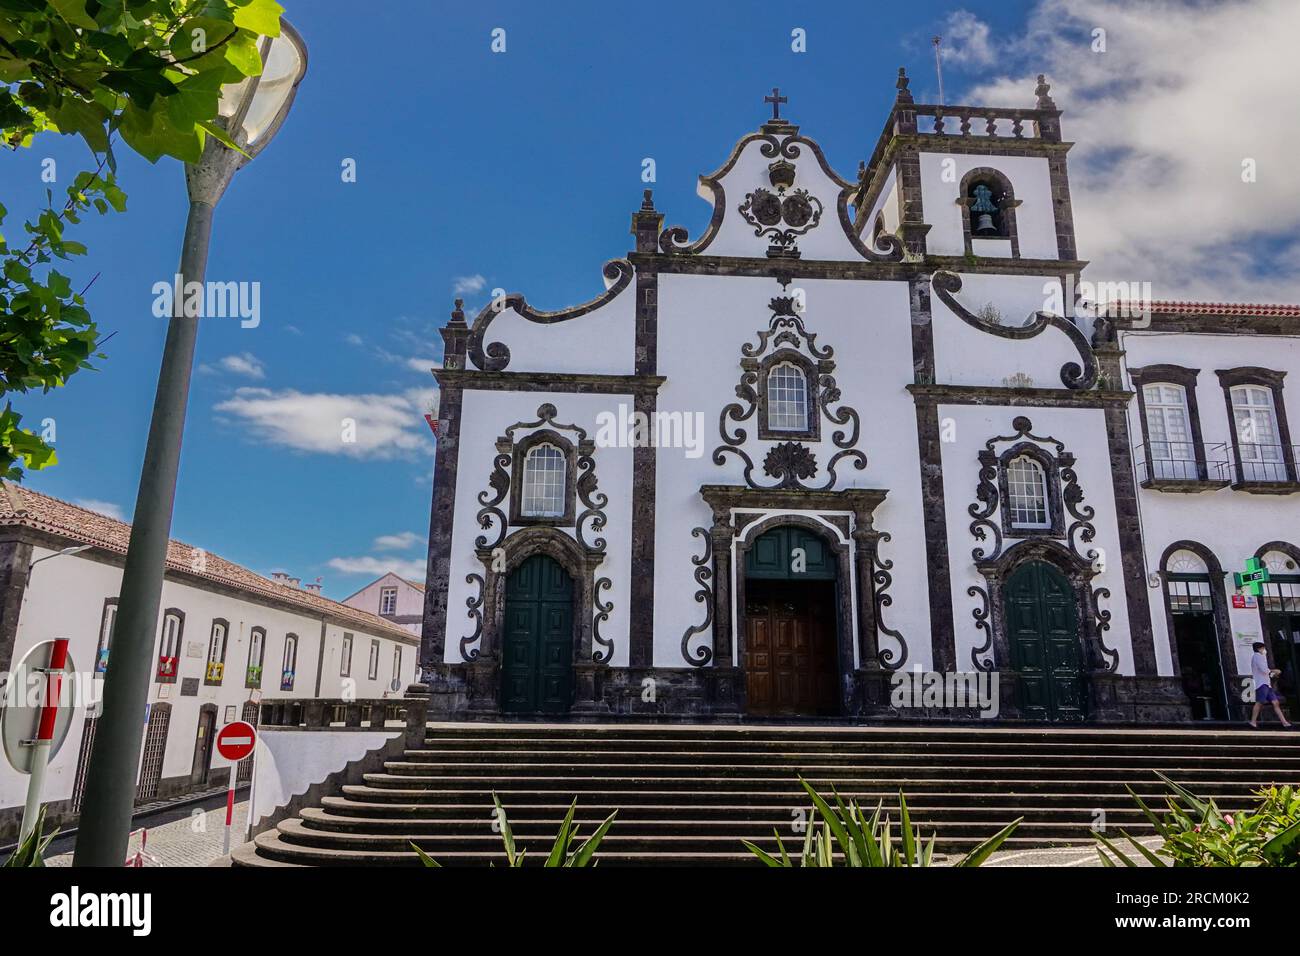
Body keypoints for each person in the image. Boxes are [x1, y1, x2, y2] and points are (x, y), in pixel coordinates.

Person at [1249, 642, 1292, 728]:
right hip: (1261, 684)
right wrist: (1274, 671)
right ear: (1259, 649)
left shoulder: (1261, 657)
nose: (1264, 650)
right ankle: (1253, 721)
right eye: (1263, 648)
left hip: (1266, 684)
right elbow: (1264, 670)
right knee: (1259, 702)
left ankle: (1284, 722)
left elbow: (1265, 671)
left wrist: (1272, 673)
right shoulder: (1257, 657)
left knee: (1275, 702)